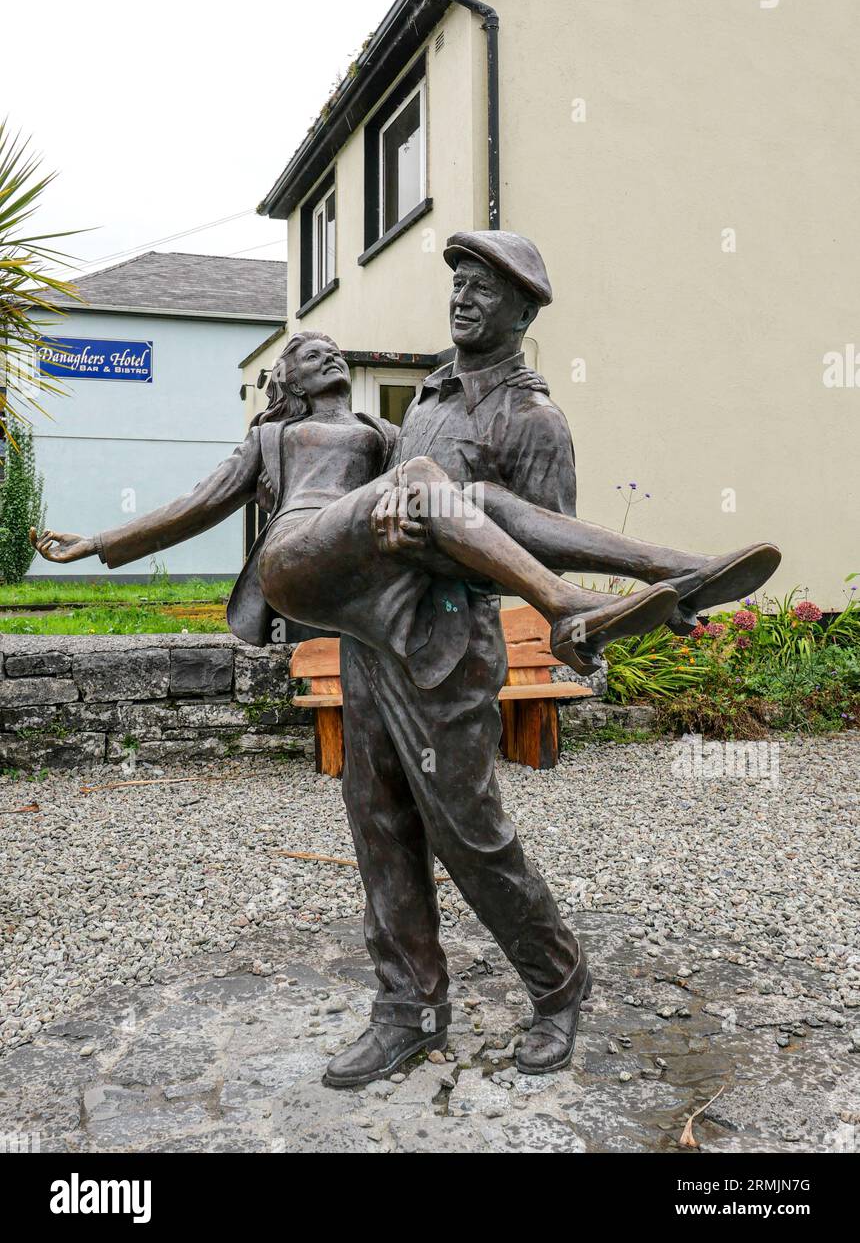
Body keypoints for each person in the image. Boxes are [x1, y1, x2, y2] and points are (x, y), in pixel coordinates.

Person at [32, 230, 780, 1084]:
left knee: (469, 835)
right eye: (457, 282)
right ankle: (408, 1007)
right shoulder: (418, 404)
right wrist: (386, 511)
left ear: (526, 312)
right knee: (379, 822)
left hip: (448, 643)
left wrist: (435, 519)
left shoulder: (531, 419)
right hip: (370, 633)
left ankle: (557, 980)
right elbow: (343, 512)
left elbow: (543, 535)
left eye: (485, 289)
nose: (462, 298)